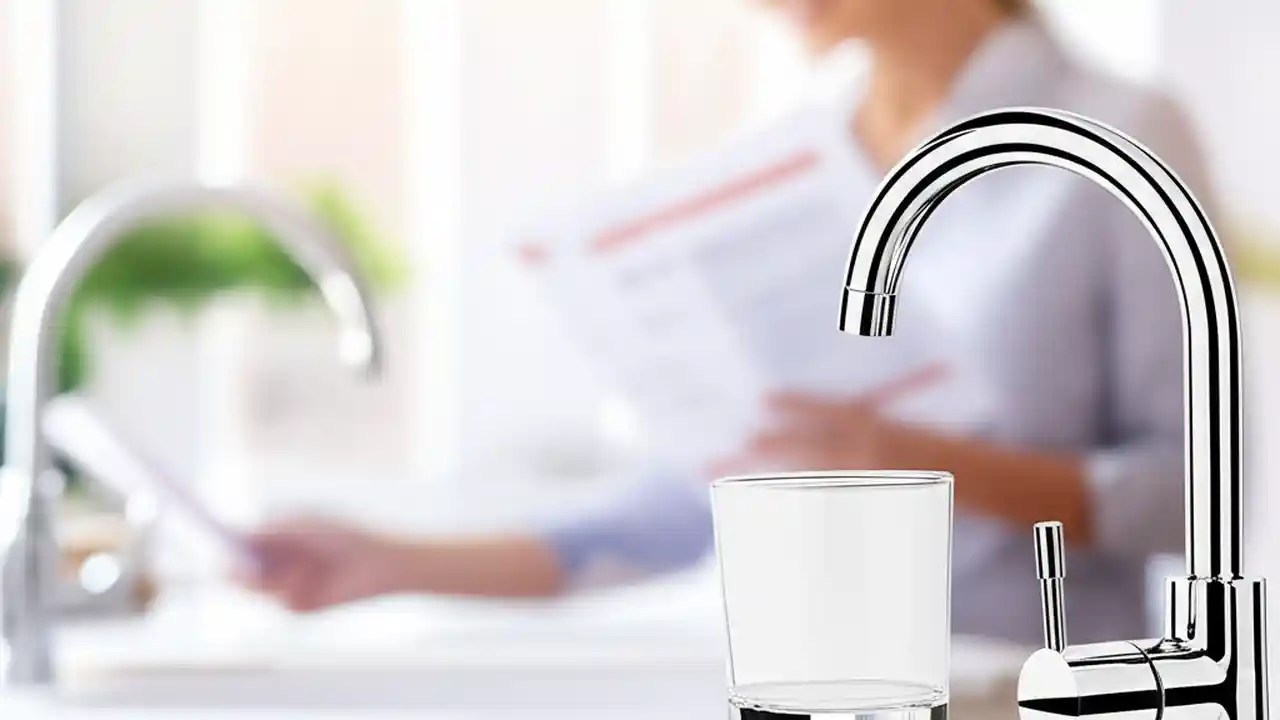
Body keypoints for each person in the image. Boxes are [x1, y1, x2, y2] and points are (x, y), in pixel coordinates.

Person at [241, 0, 1212, 645]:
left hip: (1024, 687)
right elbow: (687, 501)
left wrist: (908, 460)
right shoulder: (791, 172)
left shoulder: (1119, 134)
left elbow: (1191, 493)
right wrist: (391, 562)